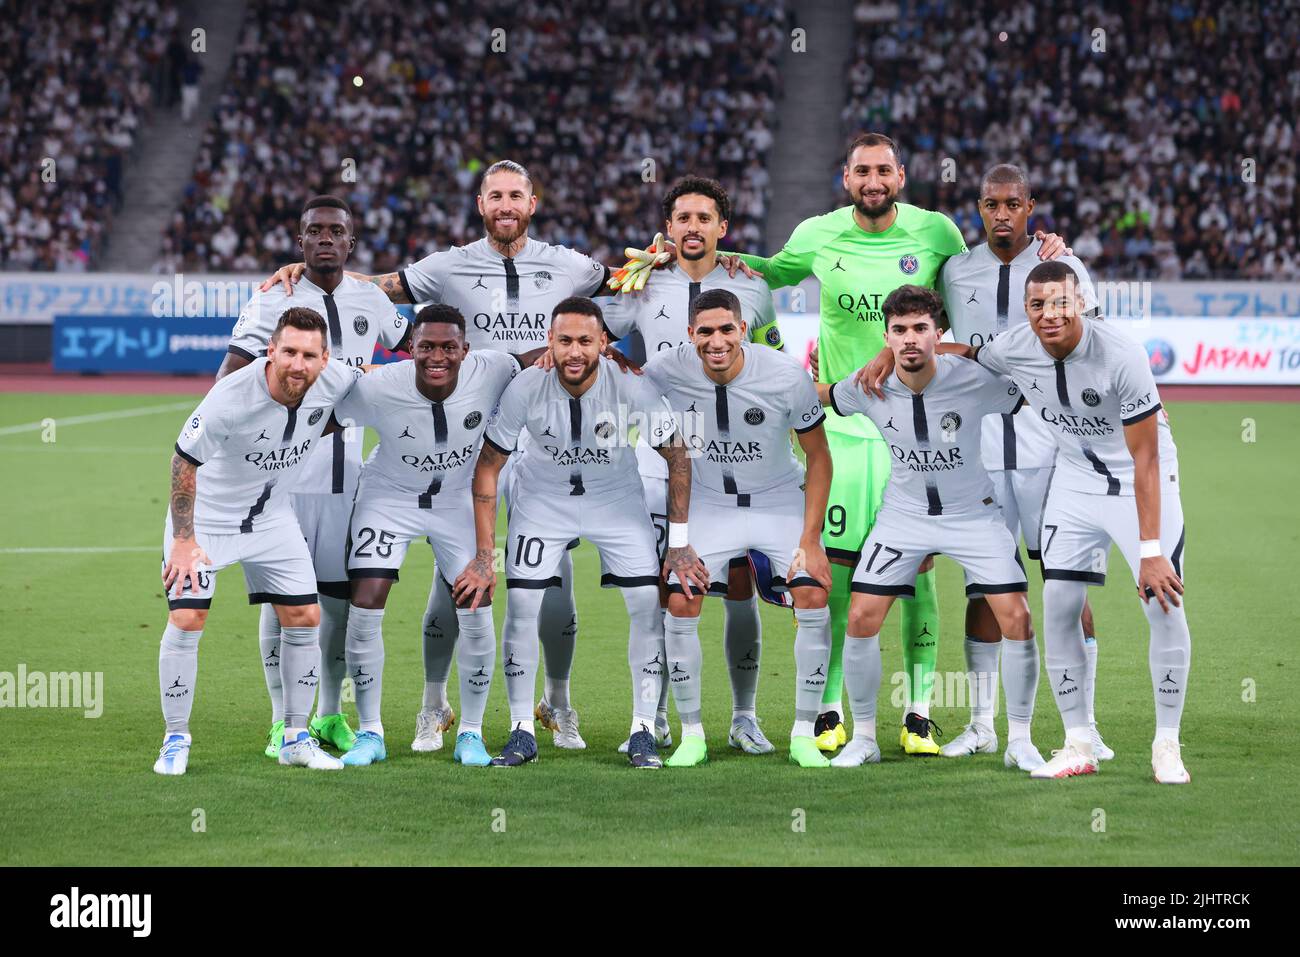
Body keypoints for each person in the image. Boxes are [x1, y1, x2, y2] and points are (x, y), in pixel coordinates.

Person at [260, 161, 652, 752]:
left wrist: (673, 256)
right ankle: (434, 706)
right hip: (466, 445)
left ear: (532, 202)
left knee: (553, 582)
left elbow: (629, 282)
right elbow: (381, 287)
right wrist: (315, 274)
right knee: (456, 583)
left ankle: (557, 703)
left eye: (515, 195)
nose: (505, 205)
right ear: (480, 203)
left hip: (542, 441)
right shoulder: (447, 265)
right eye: (495, 195)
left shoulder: (571, 265)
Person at [735, 132, 1070, 756]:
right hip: (848, 427)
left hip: (929, 425)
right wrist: (698, 255)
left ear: (901, 176)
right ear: (846, 177)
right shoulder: (817, 233)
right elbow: (770, 273)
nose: (873, 181)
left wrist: (1044, 249)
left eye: (883, 170)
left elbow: (986, 268)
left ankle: (919, 713)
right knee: (839, 578)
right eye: (862, 171)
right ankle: (834, 711)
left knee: (922, 576)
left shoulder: (937, 232)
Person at [861, 262, 1191, 784]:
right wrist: (889, 351)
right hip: (1075, 481)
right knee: (1058, 607)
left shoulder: (1120, 353)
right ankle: (1077, 741)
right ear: (1027, 310)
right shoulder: (1015, 346)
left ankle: (1166, 744)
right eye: (1037, 305)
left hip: (1138, 481)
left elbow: (1146, 458)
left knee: (1163, 601)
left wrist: (1150, 550)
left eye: (1059, 303)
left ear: (1080, 302)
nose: (1048, 314)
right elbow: (961, 352)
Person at [454, 297, 709, 769]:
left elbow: (677, 454)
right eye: (565, 340)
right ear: (549, 342)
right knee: (524, 605)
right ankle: (521, 730)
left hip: (616, 502)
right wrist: (485, 556)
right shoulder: (525, 387)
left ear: (604, 343)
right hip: (542, 502)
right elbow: (488, 467)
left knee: (644, 608)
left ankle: (643, 730)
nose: (575, 352)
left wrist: (678, 545)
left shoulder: (631, 385)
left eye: (585, 341)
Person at [601, 175, 784, 755]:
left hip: (733, 461)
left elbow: (774, 367)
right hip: (661, 457)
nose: (693, 227)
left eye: (705, 218)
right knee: (667, 587)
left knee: (739, 588)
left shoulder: (750, 289)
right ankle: (653, 714)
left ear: (722, 229)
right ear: (668, 227)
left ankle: (745, 716)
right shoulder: (642, 284)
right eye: (683, 217)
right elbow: (594, 338)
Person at [221, 195, 409, 759]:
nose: (325, 238)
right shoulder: (272, 298)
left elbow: (417, 353)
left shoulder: (369, 298)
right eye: (314, 231)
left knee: (338, 601)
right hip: (279, 481)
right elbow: (231, 375)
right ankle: (284, 721)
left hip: (345, 477)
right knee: (283, 603)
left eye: (336, 231)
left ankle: (328, 714)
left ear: (351, 243)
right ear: (299, 240)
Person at [818, 286, 1037, 768]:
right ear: (886, 336)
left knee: (1017, 618)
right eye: (900, 330)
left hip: (973, 514)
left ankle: (1018, 738)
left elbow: (1037, 386)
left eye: (920, 328)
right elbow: (818, 398)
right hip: (903, 516)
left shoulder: (976, 380)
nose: (910, 339)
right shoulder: (868, 386)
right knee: (860, 617)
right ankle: (865, 737)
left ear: (938, 333)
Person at [937, 164, 1110, 764]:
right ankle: (982, 724)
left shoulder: (1064, 267)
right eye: (991, 204)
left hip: (1053, 452)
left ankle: (1082, 726)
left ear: (1031, 205)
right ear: (979, 208)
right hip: (977, 453)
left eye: (1013, 203)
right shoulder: (955, 270)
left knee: (1067, 587)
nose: (1002, 214)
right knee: (985, 588)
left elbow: (1097, 341)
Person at [328, 304, 543, 767]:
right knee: (365, 601)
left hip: (458, 503)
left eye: (449, 347)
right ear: (410, 348)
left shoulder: (493, 368)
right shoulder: (378, 386)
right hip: (388, 497)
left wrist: (603, 354)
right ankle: (370, 733)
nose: (437, 356)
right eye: (426, 347)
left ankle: (470, 732)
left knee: (475, 603)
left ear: (467, 349)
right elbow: (322, 414)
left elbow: (536, 359)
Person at [154, 308, 358, 775]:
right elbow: (183, 462)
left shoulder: (335, 381)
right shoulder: (231, 396)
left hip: (271, 520)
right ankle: (175, 738)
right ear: (271, 350)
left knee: (305, 616)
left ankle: (294, 737)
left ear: (325, 359)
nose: (297, 364)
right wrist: (184, 541)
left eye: (309, 355)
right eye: (288, 352)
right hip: (205, 522)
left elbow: (377, 379)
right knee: (187, 618)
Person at [642, 288, 834, 767]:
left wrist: (810, 540)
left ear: (743, 329)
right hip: (709, 503)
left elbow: (819, 456)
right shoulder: (666, 370)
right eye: (704, 332)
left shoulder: (785, 375)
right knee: (682, 597)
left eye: (726, 329)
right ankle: (692, 734)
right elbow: (621, 386)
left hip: (777, 498)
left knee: (811, 592)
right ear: (690, 335)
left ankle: (804, 734)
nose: (716, 341)